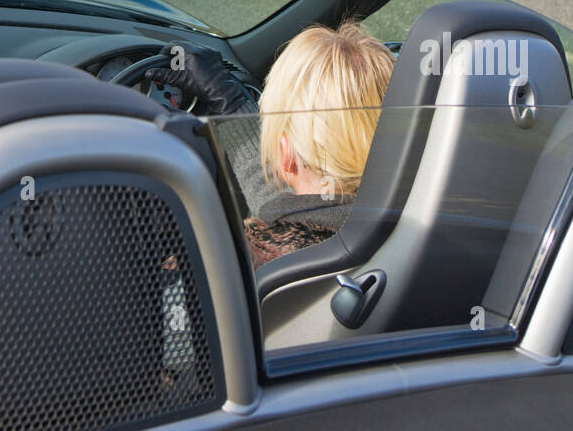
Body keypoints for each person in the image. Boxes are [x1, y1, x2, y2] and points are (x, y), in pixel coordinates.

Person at [150, 22, 395, 269]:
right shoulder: (415, 211)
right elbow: (294, 210)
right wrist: (230, 103)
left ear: (286, 155)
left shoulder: (232, 260)